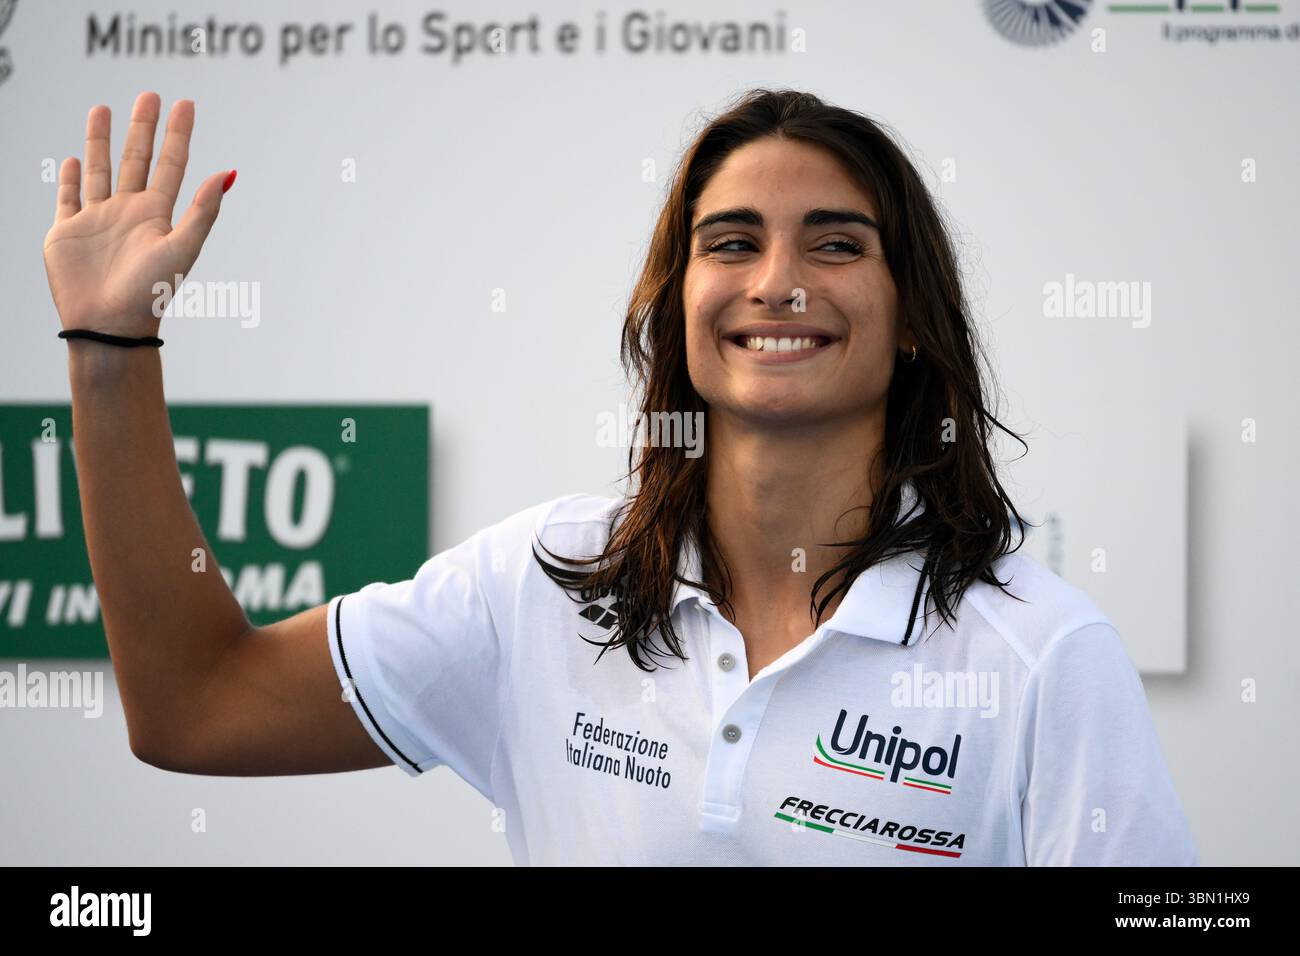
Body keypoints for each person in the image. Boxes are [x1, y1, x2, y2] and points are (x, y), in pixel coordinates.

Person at [43, 86, 1198, 866]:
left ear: (911, 321)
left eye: (837, 243)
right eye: (732, 241)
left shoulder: (1039, 653)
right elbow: (194, 698)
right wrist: (109, 351)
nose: (779, 281)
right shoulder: (546, 582)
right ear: (677, 305)